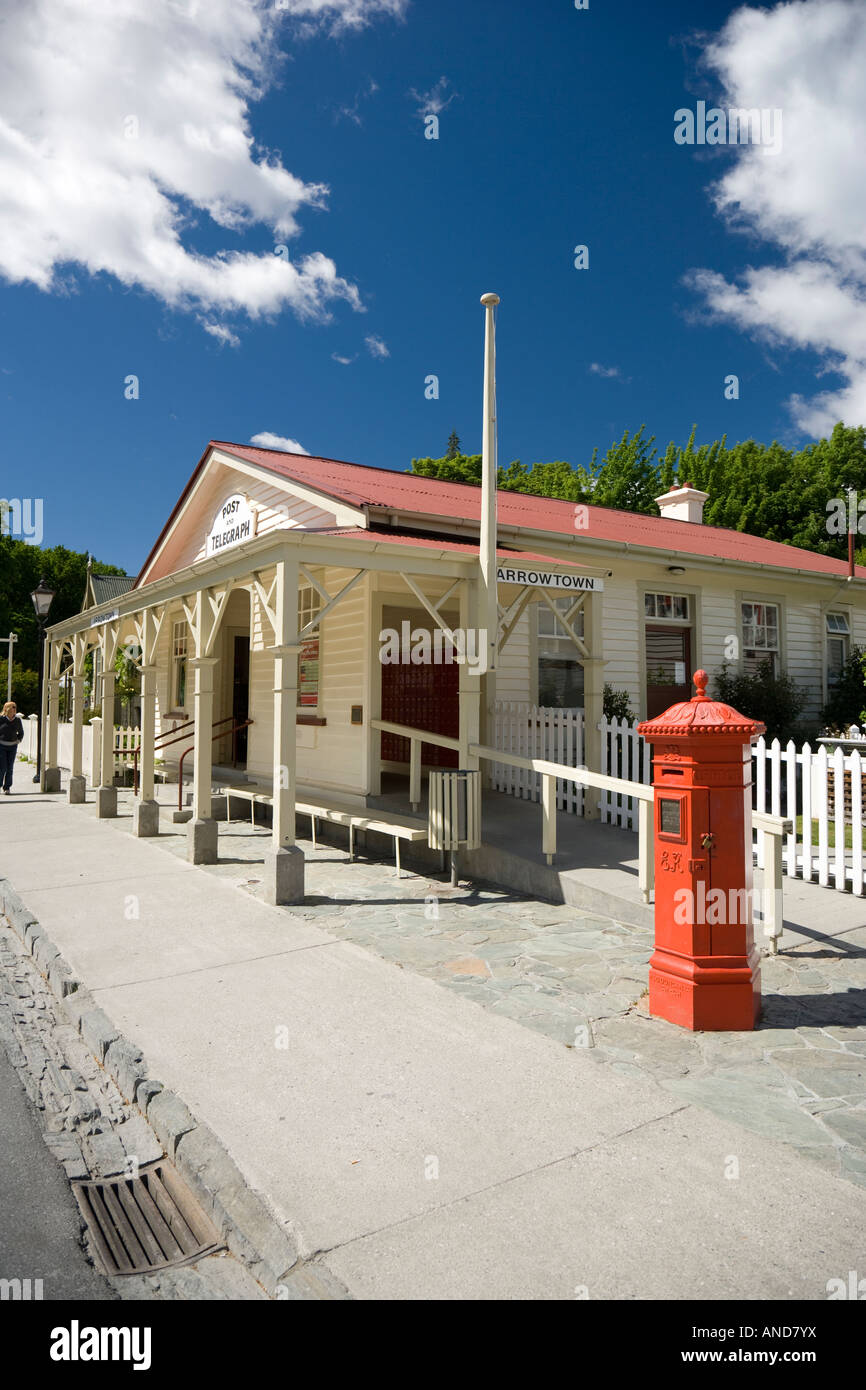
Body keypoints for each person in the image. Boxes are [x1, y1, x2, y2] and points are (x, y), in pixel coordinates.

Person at [0, 701, 24, 794]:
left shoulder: (17, 720)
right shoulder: (1, 719)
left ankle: (7, 787)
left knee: (10, 768)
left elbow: (21, 732)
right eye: (13, 707)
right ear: (7, 708)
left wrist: (18, 740)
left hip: (13, 747)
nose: (14, 709)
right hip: (1, 746)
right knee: (3, 767)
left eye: (15, 707)